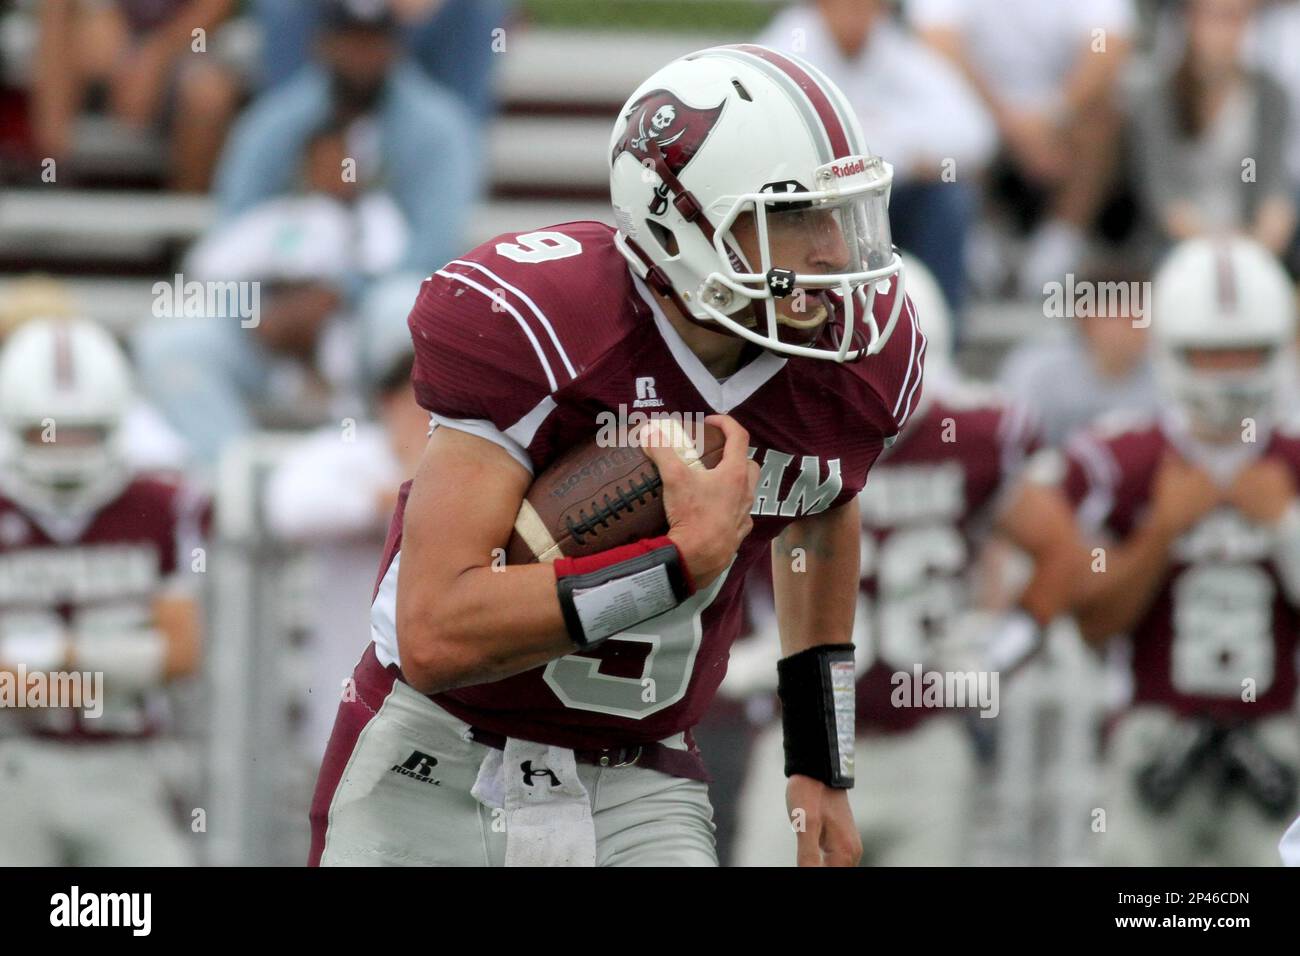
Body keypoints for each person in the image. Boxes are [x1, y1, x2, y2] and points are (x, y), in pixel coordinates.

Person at [309, 44, 927, 867]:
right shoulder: (543, 323)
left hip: (640, 775)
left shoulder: (852, 359)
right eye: (790, 217)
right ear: (680, 216)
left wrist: (821, 757)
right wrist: (677, 563)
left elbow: (821, 508)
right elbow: (433, 634)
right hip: (438, 754)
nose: (832, 253)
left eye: (837, 214)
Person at [733, 258, 1085, 865]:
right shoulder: (773, 430)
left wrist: (994, 653)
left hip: (924, 739)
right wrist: (742, 651)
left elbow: (1063, 554)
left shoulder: (970, 437)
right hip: (798, 740)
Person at [1061, 237, 1300, 865]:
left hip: (1279, 749)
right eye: (1212, 355)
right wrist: (1161, 533)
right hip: (1151, 745)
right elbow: (1092, 622)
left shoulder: (1292, 465)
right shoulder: (1121, 460)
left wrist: (1286, 528)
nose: (1230, 373)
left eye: (1247, 353)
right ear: (1172, 349)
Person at [0, 318, 207, 865]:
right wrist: (110, 672)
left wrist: (53, 659)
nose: (63, 450)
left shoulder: (159, 505)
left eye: (81, 432)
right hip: (11, 765)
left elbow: (182, 653)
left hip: (125, 766)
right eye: (46, 432)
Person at [757, 0, 995, 316]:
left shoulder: (893, 48)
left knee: (948, 198)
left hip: (887, 200)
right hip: (814, 205)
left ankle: (942, 336)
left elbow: (974, 132)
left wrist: (884, 147)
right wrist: (887, 144)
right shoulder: (785, 47)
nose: (861, 10)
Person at [213, 0, 480, 275]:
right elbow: (234, 228)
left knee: (395, 305)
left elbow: (432, 247)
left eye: (373, 41)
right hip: (279, 284)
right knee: (204, 314)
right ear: (322, 44)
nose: (361, 55)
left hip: (387, 286)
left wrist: (345, 291)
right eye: (350, 40)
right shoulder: (274, 121)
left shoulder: (439, 127)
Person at [908, 0, 1136, 295]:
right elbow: (937, 43)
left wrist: (1055, 113)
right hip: (981, 106)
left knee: (1104, 111)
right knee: (948, 118)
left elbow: (1109, 47)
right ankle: (976, 237)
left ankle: (1060, 243)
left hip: (1059, 114)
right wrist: (1010, 124)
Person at [1131, 0, 1295, 258]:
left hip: (1248, 247)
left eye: (1234, 19)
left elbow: (1273, 185)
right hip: (1175, 252)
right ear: (1188, 20)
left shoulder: (1270, 96)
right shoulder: (1157, 98)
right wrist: (1217, 244)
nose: (1222, 32)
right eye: (1212, 17)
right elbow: (1162, 198)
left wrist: (1266, 232)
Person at [30, 0, 240, 190]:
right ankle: (52, 168)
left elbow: (216, 7)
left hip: (186, 48)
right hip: (102, 43)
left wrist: (158, 55)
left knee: (209, 95)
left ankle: (187, 218)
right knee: (59, 11)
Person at [999, 264, 1160, 448]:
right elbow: (1012, 444)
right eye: (1131, 316)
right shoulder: (1037, 371)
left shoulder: (1167, 376)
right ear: (1088, 319)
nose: (1144, 326)